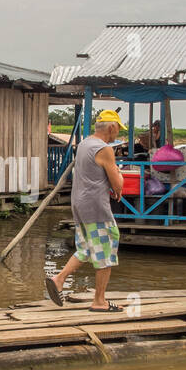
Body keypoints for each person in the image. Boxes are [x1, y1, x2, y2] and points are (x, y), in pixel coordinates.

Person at [46, 110, 125, 311]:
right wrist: (119, 176)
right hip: (96, 207)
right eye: (118, 129)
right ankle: (99, 301)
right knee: (106, 249)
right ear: (112, 127)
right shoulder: (104, 149)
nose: (117, 134)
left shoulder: (84, 144)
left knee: (86, 249)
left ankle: (58, 279)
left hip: (79, 205)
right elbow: (117, 184)